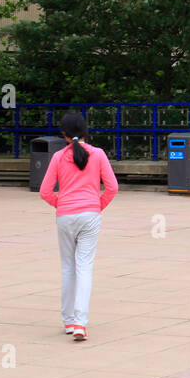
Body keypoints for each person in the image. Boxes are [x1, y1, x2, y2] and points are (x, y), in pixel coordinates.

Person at [39, 110, 118, 342]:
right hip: (90, 215)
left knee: (67, 267)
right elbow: (112, 187)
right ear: (86, 130)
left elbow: (45, 191)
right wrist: (96, 206)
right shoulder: (99, 154)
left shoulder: (57, 157)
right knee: (84, 267)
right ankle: (80, 324)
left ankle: (68, 320)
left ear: (63, 134)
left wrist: (61, 204)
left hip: (65, 215)